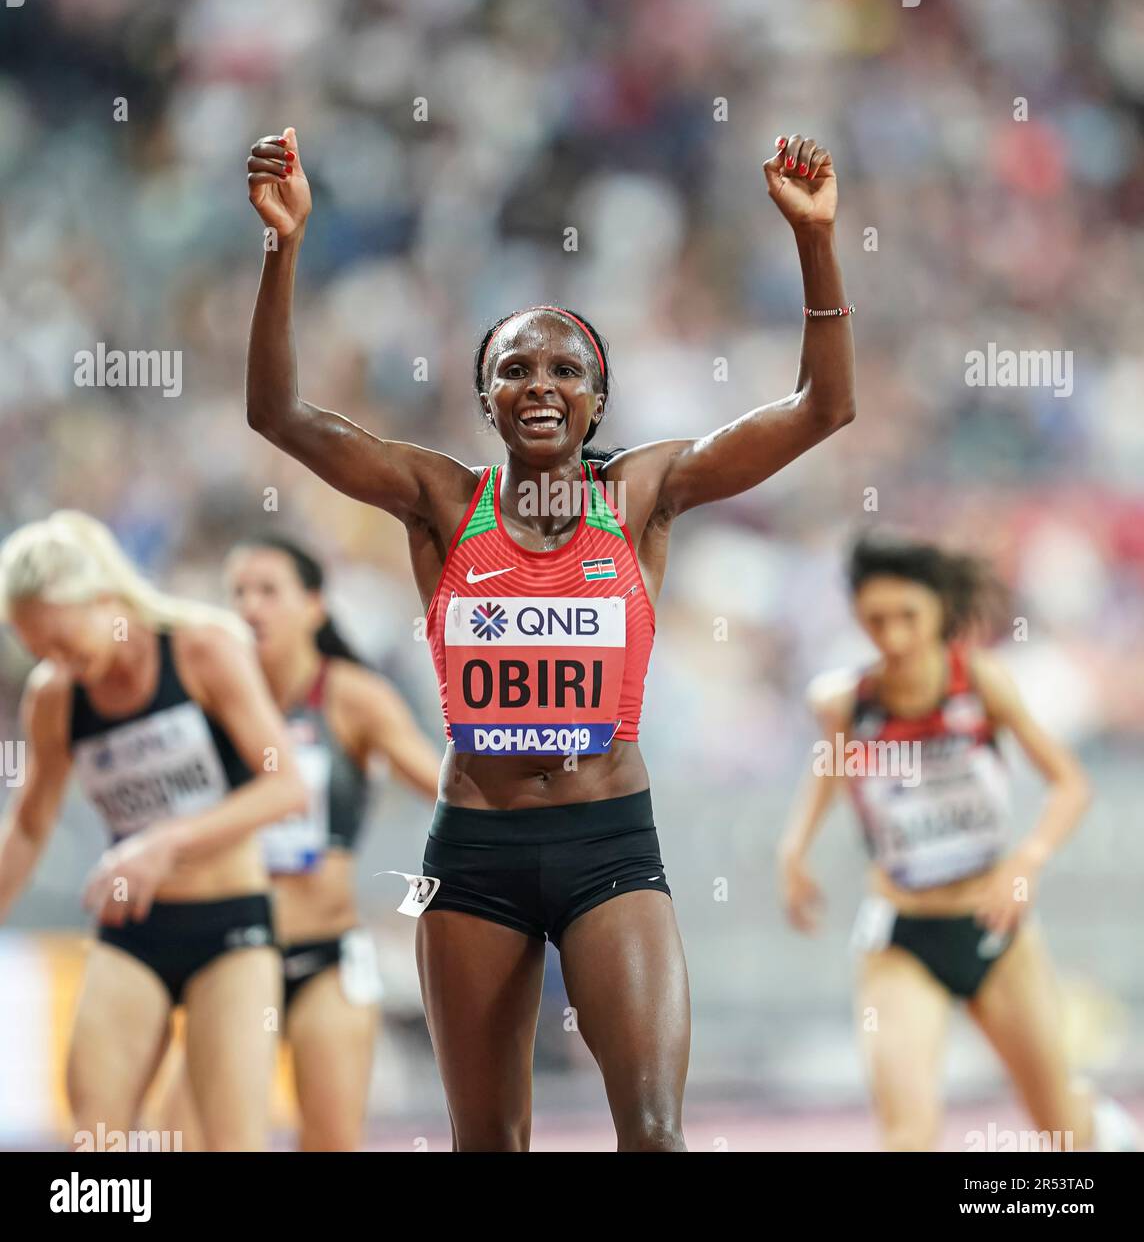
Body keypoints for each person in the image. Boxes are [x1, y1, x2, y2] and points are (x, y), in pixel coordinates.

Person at [244, 124, 855, 1151]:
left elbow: (822, 407)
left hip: (608, 842)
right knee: (488, 1141)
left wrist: (815, 241)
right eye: (514, 367)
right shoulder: (438, 498)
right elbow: (276, 413)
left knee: (655, 1135)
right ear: (485, 397)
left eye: (564, 368)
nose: (539, 382)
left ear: (598, 398)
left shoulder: (643, 493)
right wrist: (283, 246)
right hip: (473, 850)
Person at [778, 532, 1139, 1152]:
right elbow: (831, 765)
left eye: (908, 618)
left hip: (996, 931)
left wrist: (1025, 863)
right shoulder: (848, 703)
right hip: (902, 936)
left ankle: (1100, 1130)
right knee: (909, 1137)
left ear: (941, 611)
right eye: (875, 621)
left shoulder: (981, 687)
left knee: (1061, 1129)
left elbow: (1071, 785)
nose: (892, 638)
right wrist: (794, 851)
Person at [0, 511, 308, 1152]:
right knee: (95, 1140)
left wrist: (164, 842)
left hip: (231, 928)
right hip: (132, 933)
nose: (59, 662)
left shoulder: (201, 649)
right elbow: (29, 828)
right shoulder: (55, 696)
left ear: (104, 597)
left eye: (64, 641)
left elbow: (285, 786)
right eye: (39, 650)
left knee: (231, 1143)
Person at [153, 535, 441, 1151]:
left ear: (314, 606)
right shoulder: (211, 697)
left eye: (268, 591)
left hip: (326, 959)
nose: (251, 607)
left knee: (330, 1140)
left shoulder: (352, 697)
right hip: (230, 955)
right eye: (237, 594)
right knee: (180, 1137)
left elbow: (446, 789)